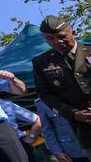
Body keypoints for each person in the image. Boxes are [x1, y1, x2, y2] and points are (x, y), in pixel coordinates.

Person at [33, 14, 91, 153]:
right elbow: (45, 94)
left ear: (74, 33)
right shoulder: (42, 62)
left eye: (61, 36)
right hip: (83, 125)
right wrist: (73, 113)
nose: (57, 42)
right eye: (50, 39)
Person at [34, 96, 91, 162]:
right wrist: (57, 151)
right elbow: (47, 129)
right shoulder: (42, 102)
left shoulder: (82, 91)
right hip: (74, 151)